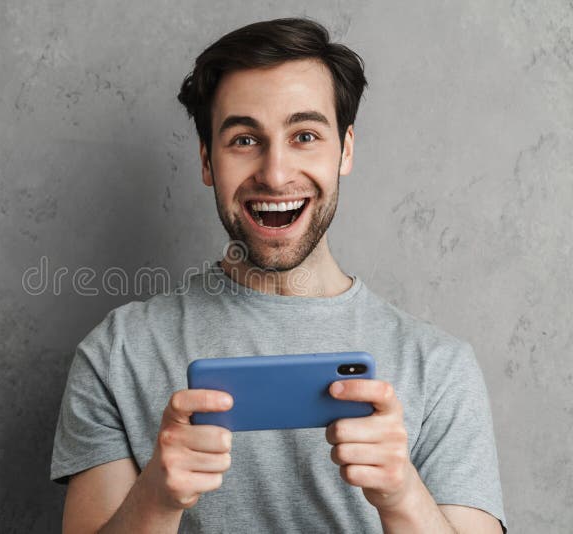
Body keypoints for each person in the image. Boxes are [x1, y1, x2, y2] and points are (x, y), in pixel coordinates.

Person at [50, 17, 507, 533]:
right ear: (206, 160)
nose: (274, 172)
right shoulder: (116, 354)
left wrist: (403, 495)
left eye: (305, 135)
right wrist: (157, 497)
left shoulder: (440, 369)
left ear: (346, 149)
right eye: (244, 140)